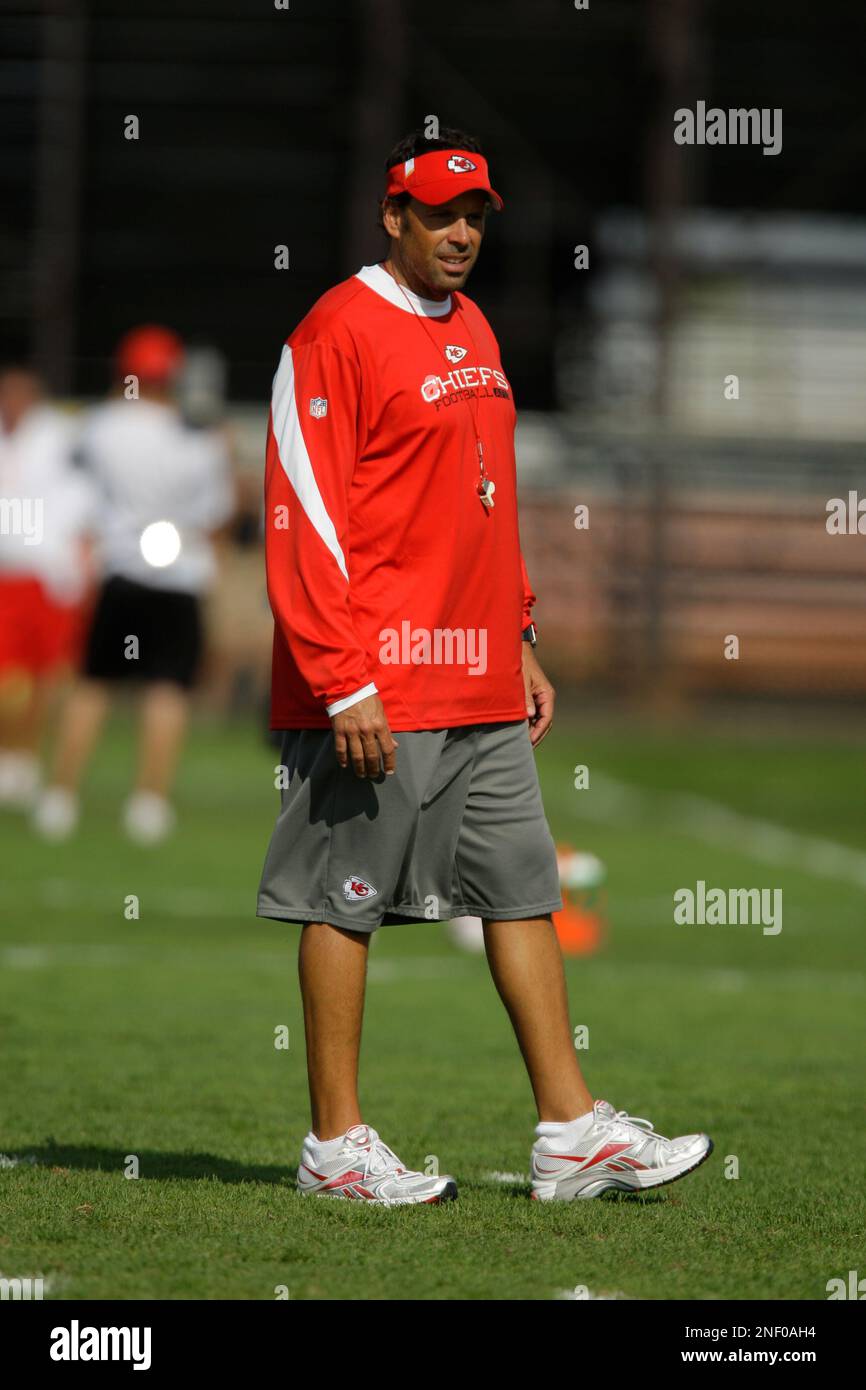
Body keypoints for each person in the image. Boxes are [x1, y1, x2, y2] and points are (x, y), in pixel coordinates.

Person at [257, 128, 713, 1204]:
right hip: (379, 677)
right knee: (346, 898)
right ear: (393, 215)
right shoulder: (333, 330)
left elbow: (484, 497)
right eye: (440, 213)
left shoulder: (474, 325)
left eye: (475, 215)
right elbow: (301, 511)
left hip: (478, 679)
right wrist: (341, 676)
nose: (461, 232)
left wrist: (515, 631)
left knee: (521, 890)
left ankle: (568, 1132)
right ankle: (335, 1147)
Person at [33, 326, 235, 844]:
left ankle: (59, 796)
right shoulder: (200, 435)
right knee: (166, 692)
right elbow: (216, 516)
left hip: (121, 569)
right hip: (180, 575)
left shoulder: (102, 425)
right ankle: (149, 804)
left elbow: (74, 485)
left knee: (93, 684)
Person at [0, 366, 94, 809]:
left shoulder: (59, 435)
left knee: (47, 675)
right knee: (8, 675)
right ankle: (10, 755)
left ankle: (27, 758)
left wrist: (77, 558)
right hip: (8, 571)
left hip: (50, 572)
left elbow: (81, 497)